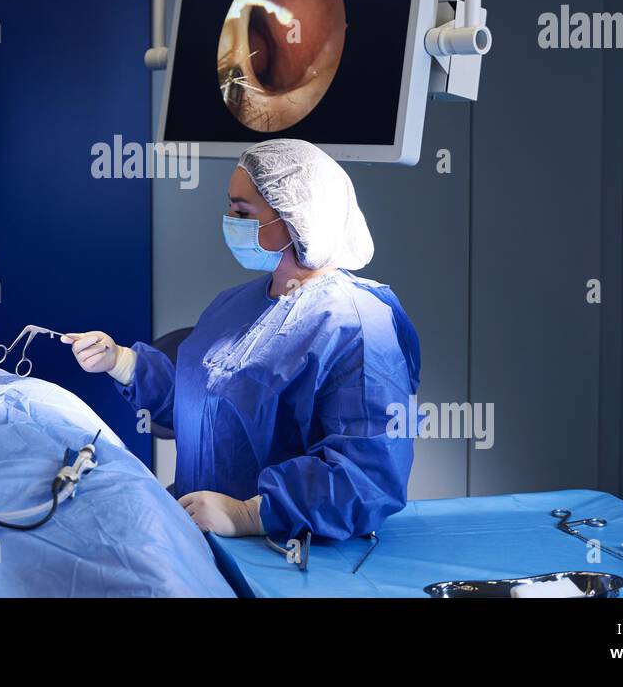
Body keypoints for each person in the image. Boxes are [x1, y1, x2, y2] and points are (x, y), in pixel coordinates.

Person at [66, 139, 419, 542]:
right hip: (199, 531)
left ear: (296, 218)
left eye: (242, 211)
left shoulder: (357, 326)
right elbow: (206, 407)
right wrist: (123, 362)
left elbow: (368, 475)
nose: (229, 219)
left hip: (285, 552)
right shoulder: (235, 304)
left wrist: (252, 513)